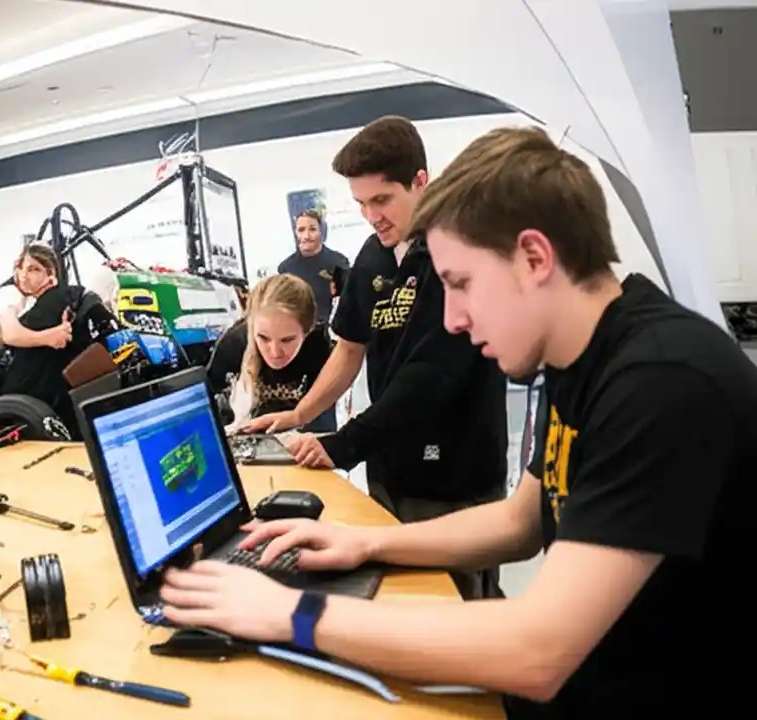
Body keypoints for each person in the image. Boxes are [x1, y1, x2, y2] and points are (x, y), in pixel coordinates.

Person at [157, 125, 751, 717]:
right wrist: (366, 542)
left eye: (461, 285)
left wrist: (290, 613)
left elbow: (538, 653)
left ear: (535, 258)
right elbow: (521, 520)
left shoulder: (661, 382)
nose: (453, 321)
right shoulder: (581, 360)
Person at [247, 116, 508, 599]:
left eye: (382, 200)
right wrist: (299, 415)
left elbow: (430, 377)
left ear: (420, 181)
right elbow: (349, 347)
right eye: (361, 203)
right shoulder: (372, 255)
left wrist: (344, 444)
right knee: (395, 597)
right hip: (389, 471)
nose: (371, 216)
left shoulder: (456, 253)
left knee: (454, 606)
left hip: (453, 480)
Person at [0, 245, 117, 434]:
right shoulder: (74, 297)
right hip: (70, 407)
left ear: (51, 273)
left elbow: (10, 337)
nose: (24, 276)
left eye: (34, 269)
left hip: (34, 411)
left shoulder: (52, 302)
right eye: (21, 268)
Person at [206, 274, 335, 432]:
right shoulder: (233, 344)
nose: (275, 353)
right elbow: (205, 398)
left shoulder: (321, 347)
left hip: (304, 437)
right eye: (263, 338)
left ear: (307, 331)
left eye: (287, 340)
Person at [277, 209, 351, 324]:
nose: (306, 236)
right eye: (301, 230)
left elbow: (347, 303)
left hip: (333, 328)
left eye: (312, 229)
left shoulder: (338, 262)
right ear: (295, 233)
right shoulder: (285, 269)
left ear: (321, 231)